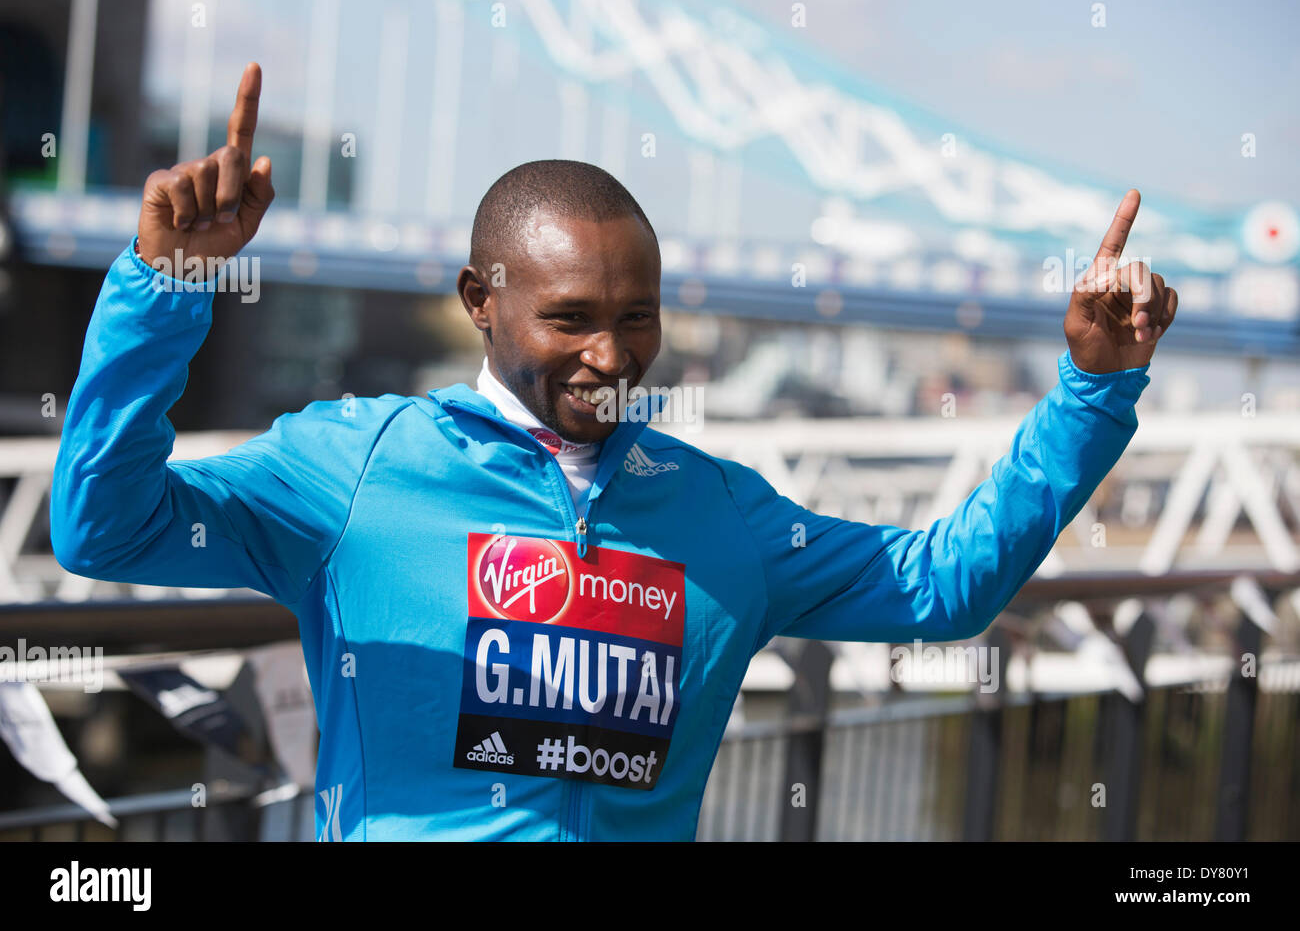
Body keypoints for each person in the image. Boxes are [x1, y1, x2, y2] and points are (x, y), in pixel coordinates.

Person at [50, 64, 1176, 841]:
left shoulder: (717, 513)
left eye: (636, 318)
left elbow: (942, 588)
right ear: (478, 304)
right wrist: (168, 285)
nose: (610, 354)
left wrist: (1092, 387)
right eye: (570, 317)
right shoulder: (358, 469)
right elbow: (103, 527)